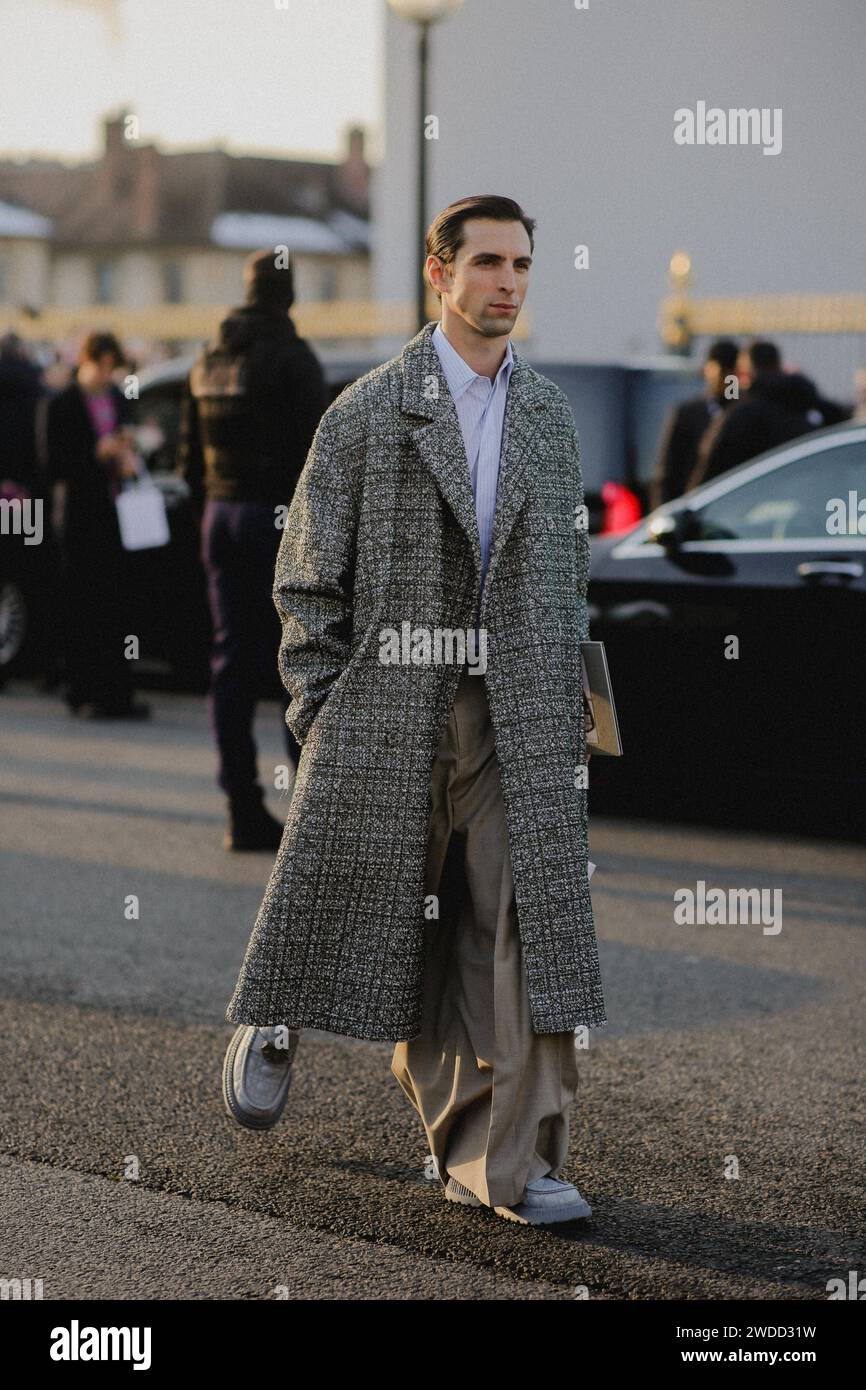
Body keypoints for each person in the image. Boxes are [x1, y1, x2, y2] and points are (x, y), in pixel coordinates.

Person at [221, 195, 606, 1227]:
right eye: (487, 262)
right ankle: (277, 1014)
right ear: (439, 274)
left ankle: (510, 1162)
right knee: (383, 919)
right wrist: (321, 709)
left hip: (510, 715)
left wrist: (569, 683)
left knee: (513, 926)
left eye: (521, 264)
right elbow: (304, 582)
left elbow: (564, 575)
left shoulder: (547, 416)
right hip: (386, 707)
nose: (509, 283)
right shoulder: (364, 411)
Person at [176, 249, 327, 852]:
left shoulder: (208, 357)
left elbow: (190, 461)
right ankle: (309, 818)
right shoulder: (293, 358)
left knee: (232, 662)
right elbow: (320, 467)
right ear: (288, 296)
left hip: (220, 513)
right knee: (302, 660)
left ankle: (242, 808)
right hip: (278, 519)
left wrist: (210, 515)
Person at [46, 331, 150, 720]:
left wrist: (128, 450)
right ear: (87, 361)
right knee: (82, 606)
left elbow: (131, 443)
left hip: (116, 516)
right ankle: (83, 690)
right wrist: (96, 453)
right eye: (102, 365)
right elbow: (53, 465)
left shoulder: (119, 401)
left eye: (112, 366)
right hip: (79, 517)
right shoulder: (62, 404)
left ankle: (118, 693)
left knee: (117, 608)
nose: (107, 373)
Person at [687, 338, 851, 491]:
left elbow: (709, 474)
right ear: (778, 365)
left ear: (745, 372)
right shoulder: (810, 405)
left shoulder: (738, 414)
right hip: (806, 501)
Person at [648, 338, 739, 510]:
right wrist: (663, 512)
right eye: (719, 371)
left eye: (729, 373)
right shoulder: (688, 413)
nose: (724, 379)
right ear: (707, 370)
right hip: (693, 506)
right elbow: (668, 469)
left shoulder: (741, 412)